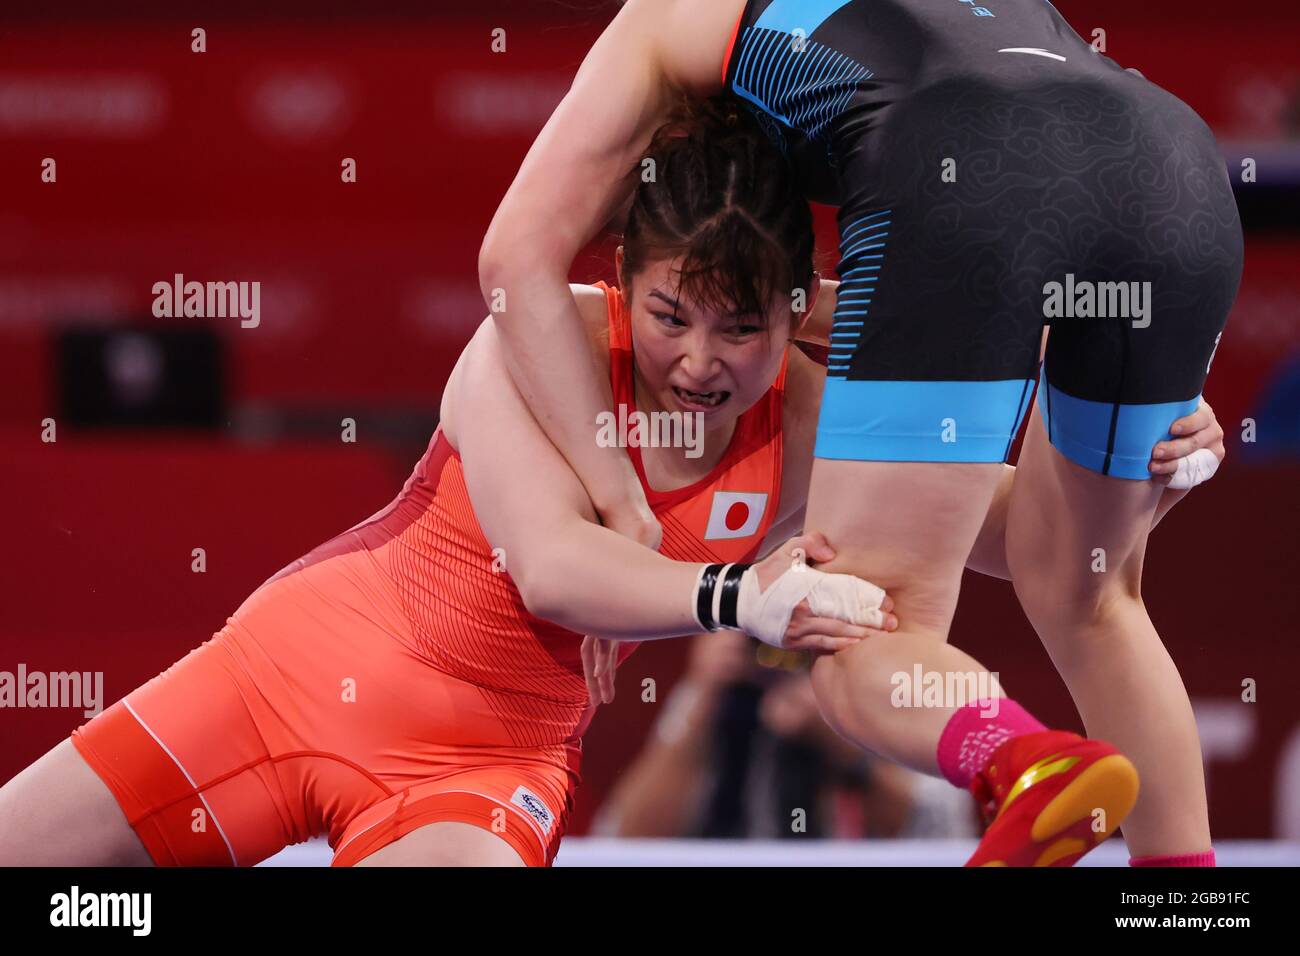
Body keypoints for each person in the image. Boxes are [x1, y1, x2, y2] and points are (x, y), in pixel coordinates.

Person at [0, 97, 1221, 869]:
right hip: (274, 680)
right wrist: (741, 596)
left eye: (740, 327)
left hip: (484, 773)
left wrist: (1132, 455)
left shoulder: (807, 421)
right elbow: (550, 564)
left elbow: (1020, 544)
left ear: (793, 315)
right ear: (620, 275)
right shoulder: (533, 346)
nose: (700, 360)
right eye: (670, 313)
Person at [479, 0, 1243, 867]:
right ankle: (1188, 905)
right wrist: (1118, 421)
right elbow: (1011, 265)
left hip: (970, 163)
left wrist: (622, 505)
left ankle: (1028, 766)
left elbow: (512, 262)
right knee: (1094, 594)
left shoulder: (667, 18)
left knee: (859, 627)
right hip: (1176, 168)